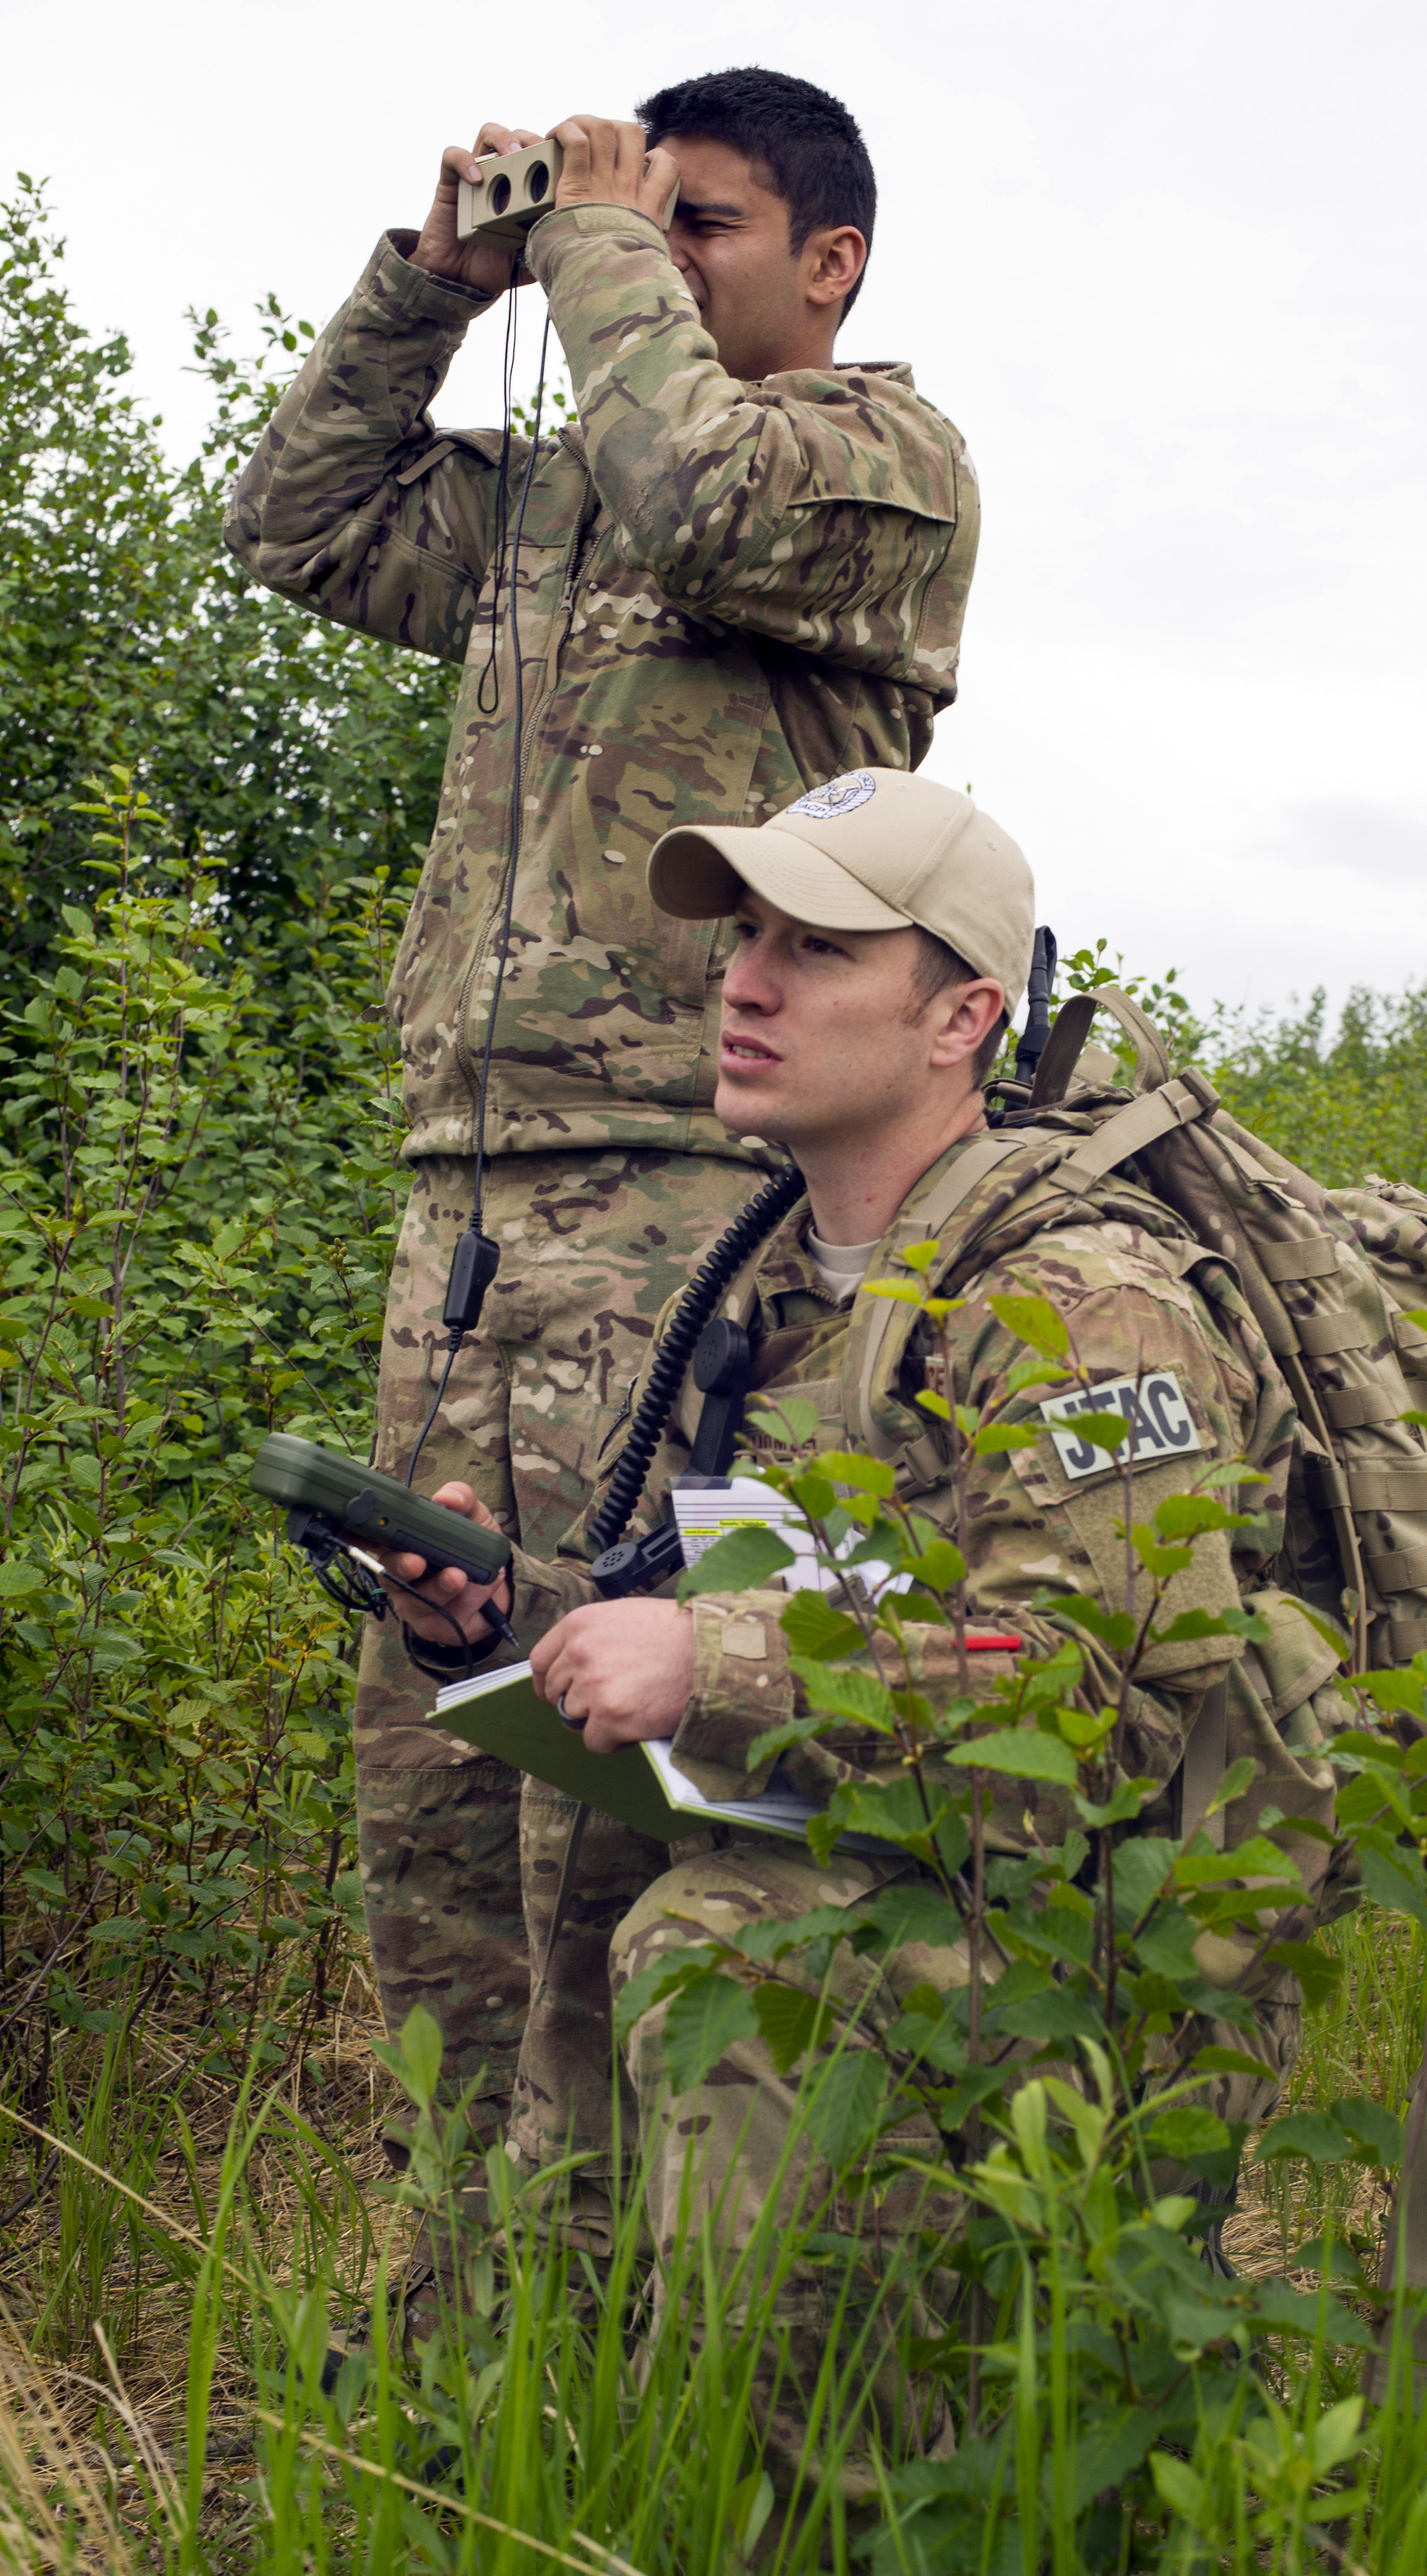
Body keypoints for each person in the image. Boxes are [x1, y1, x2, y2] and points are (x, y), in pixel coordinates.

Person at [383, 767, 1343, 2481]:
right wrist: (493, 1629)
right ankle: (651, 2416)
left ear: (962, 1016)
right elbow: (705, 1595)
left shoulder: (1078, 1295)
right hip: (883, 1841)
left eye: (818, 949)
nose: (744, 982)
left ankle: (844, 2498)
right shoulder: (771, 1277)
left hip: (1084, 1924)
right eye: (745, 936)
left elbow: (1087, 1718)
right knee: (606, 1867)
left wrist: (717, 1668)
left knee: (722, 1949)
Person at [223, 70, 980, 2176]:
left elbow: (703, 502)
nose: (645, 256)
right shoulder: (559, 498)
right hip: (464, 1209)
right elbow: (297, 523)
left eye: (698, 224)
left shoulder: (877, 467)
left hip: (688, 1207)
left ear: (830, 264)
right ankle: (475, 2293)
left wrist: (592, 240)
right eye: (642, 219)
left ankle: (654, 2303)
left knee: (621, 1790)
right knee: (438, 1771)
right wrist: (433, 284)